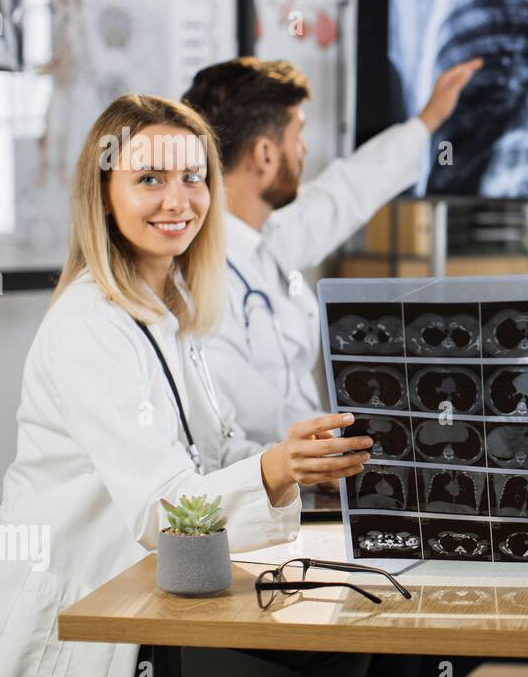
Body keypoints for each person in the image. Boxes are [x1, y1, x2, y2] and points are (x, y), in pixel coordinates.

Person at [0, 95, 383, 677]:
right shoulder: (90, 325)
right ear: (103, 194)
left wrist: (306, 457)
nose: (178, 201)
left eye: (193, 177)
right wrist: (276, 471)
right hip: (74, 620)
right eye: (149, 179)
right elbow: (165, 508)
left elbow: (212, 448)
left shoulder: (168, 307)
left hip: (144, 590)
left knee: (345, 638)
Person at [180, 56, 480, 448]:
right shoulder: (200, 276)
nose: (304, 150)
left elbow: (347, 191)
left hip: (308, 481)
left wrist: (428, 120)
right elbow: (224, 437)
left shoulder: (271, 237)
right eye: (297, 134)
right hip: (270, 489)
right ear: (265, 154)